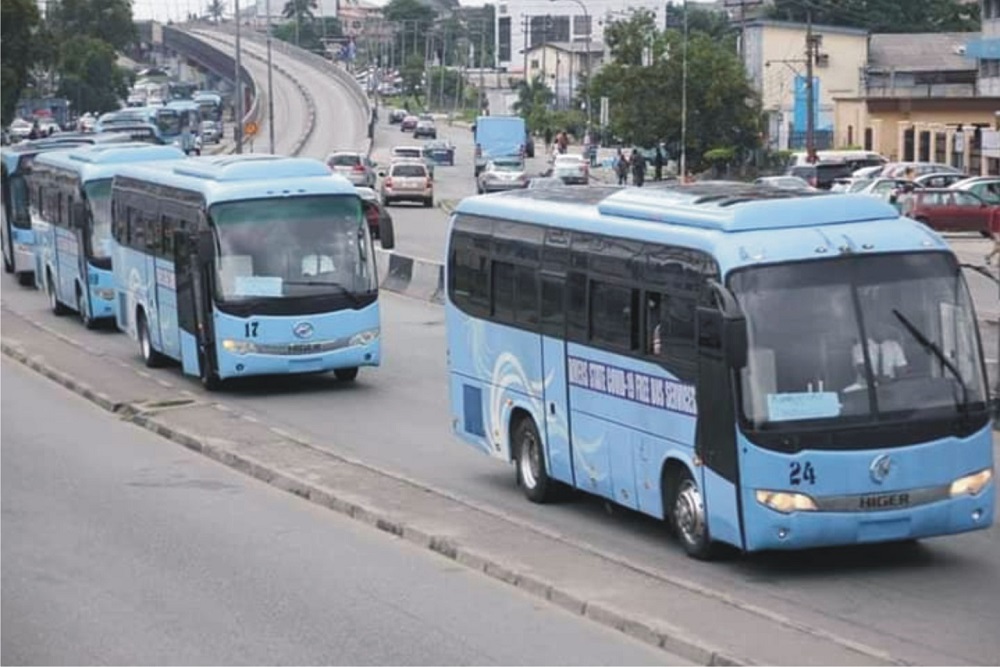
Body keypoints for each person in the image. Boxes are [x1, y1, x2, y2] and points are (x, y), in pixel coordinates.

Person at [849, 322, 908, 388]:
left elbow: (901, 367)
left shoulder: (894, 345)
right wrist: (880, 379)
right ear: (873, 331)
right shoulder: (860, 346)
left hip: (890, 385)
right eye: (881, 329)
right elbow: (862, 369)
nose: (884, 332)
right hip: (865, 386)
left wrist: (899, 381)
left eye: (886, 330)